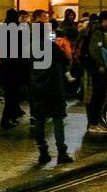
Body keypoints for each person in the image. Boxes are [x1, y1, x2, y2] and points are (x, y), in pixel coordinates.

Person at [30, 14, 74, 165]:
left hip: (38, 87)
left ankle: (43, 152)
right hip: (54, 87)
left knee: (39, 120)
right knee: (58, 120)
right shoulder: (52, 46)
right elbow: (65, 59)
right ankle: (62, 152)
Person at [81, 12, 107, 133]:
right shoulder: (97, 32)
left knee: (99, 96)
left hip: (98, 67)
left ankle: (96, 121)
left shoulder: (97, 30)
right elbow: (95, 50)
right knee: (97, 96)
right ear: (104, 20)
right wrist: (101, 64)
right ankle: (93, 123)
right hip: (97, 68)